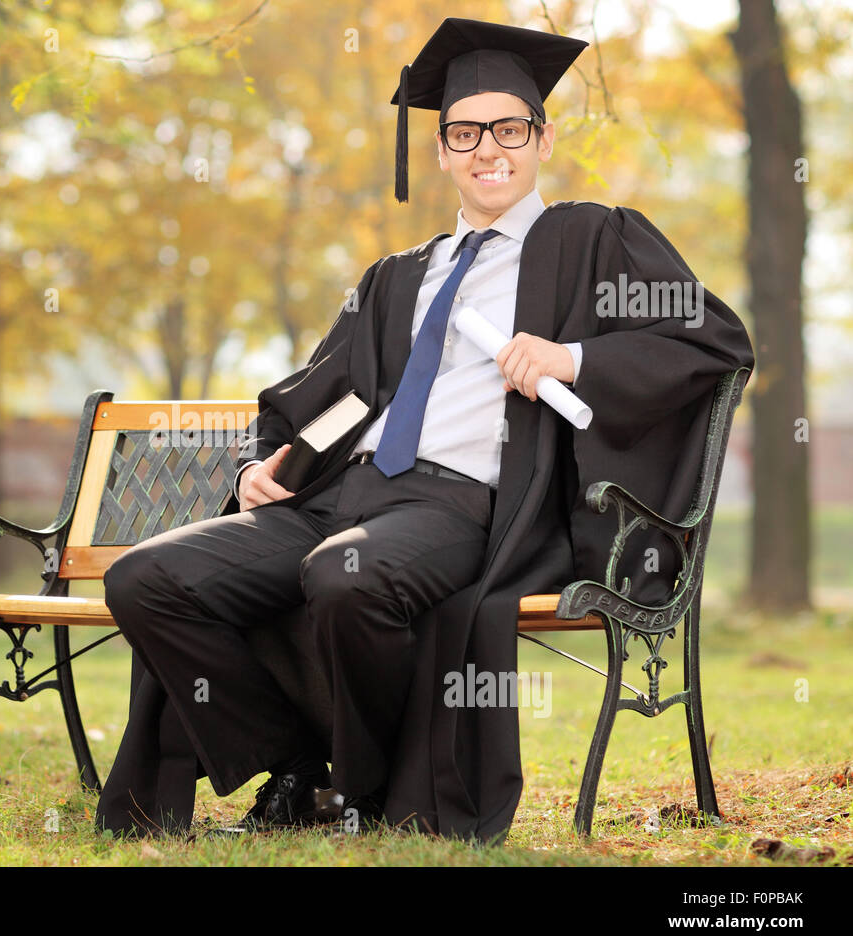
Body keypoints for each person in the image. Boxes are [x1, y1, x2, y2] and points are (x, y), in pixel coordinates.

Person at [94, 17, 755, 843]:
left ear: (542, 139)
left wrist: (574, 357)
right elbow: (326, 398)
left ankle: (361, 794)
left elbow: (713, 338)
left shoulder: (591, 240)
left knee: (345, 578)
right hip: (338, 495)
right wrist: (265, 458)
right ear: (441, 151)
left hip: (457, 507)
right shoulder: (398, 278)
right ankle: (297, 762)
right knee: (146, 578)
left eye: (509, 129)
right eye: (466, 132)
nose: (489, 149)